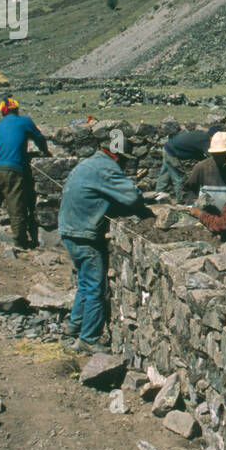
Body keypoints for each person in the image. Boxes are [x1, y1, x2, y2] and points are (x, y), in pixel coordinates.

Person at [58, 145, 153, 351]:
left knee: (84, 283)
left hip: (69, 230)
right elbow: (132, 197)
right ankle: (88, 339)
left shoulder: (89, 163)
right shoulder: (106, 168)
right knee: (95, 287)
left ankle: (73, 328)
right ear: (117, 156)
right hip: (83, 234)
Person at [0, 97, 49, 248]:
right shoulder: (24, 121)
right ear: (17, 109)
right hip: (12, 169)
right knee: (16, 206)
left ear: (3, 112)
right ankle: (19, 241)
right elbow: (39, 138)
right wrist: (45, 152)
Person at [156, 126, 213, 202]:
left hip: (168, 148)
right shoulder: (206, 140)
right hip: (172, 152)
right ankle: (181, 201)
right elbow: (211, 157)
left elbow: (197, 152)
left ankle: (157, 196)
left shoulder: (201, 135)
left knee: (165, 175)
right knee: (179, 178)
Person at [183, 128, 226, 208]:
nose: (219, 157)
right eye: (216, 154)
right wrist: (192, 205)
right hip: (206, 216)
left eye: (223, 154)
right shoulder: (201, 167)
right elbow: (190, 190)